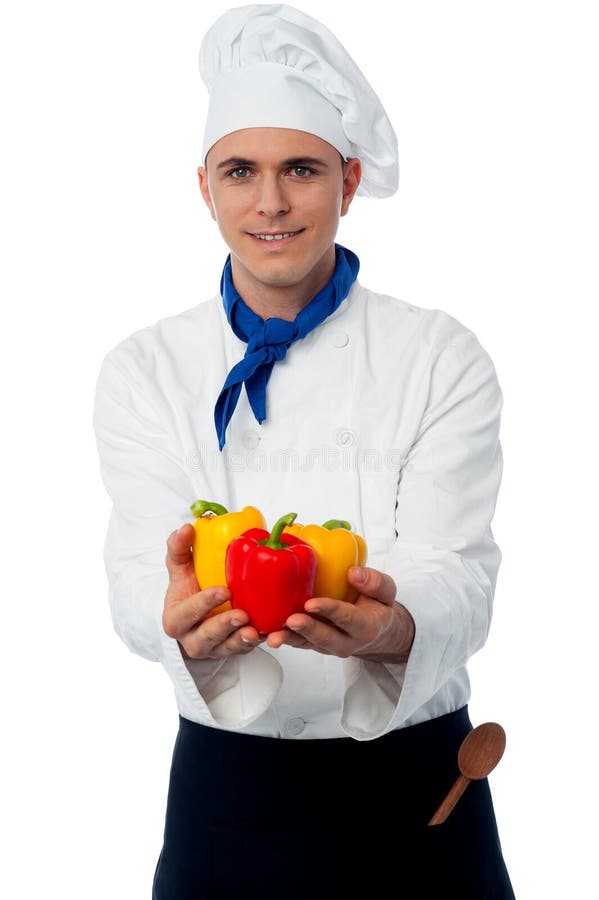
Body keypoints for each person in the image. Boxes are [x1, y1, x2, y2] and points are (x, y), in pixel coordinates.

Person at [93, 5, 515, 898]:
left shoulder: (440, 355)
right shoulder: (145, 368)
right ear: (204, 187)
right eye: (241, 171)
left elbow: (461, 573)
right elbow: (136, 575)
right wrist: (176, 622)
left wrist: (392, 625)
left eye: (302, 170)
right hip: (227, 788)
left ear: (349, 181)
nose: (271, 202)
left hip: (419, 783)